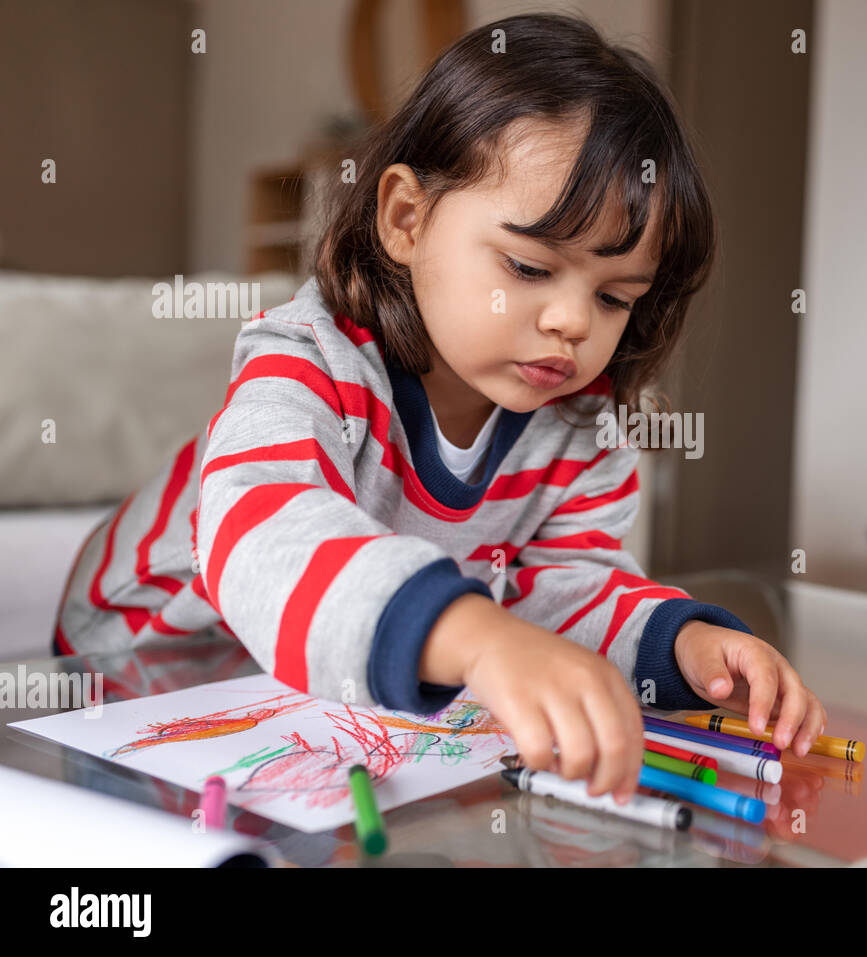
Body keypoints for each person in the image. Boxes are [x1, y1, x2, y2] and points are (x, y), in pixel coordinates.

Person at [53, 12, 825, 805]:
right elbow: (263, 533)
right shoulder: (309, 357)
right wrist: (478, 638)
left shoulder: (581, 423)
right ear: (405, 220)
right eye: (529, 267)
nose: (572, 320)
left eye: (613, 295)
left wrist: (679, 643)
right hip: (142, 664)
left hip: (321, 697)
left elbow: (564, 584)